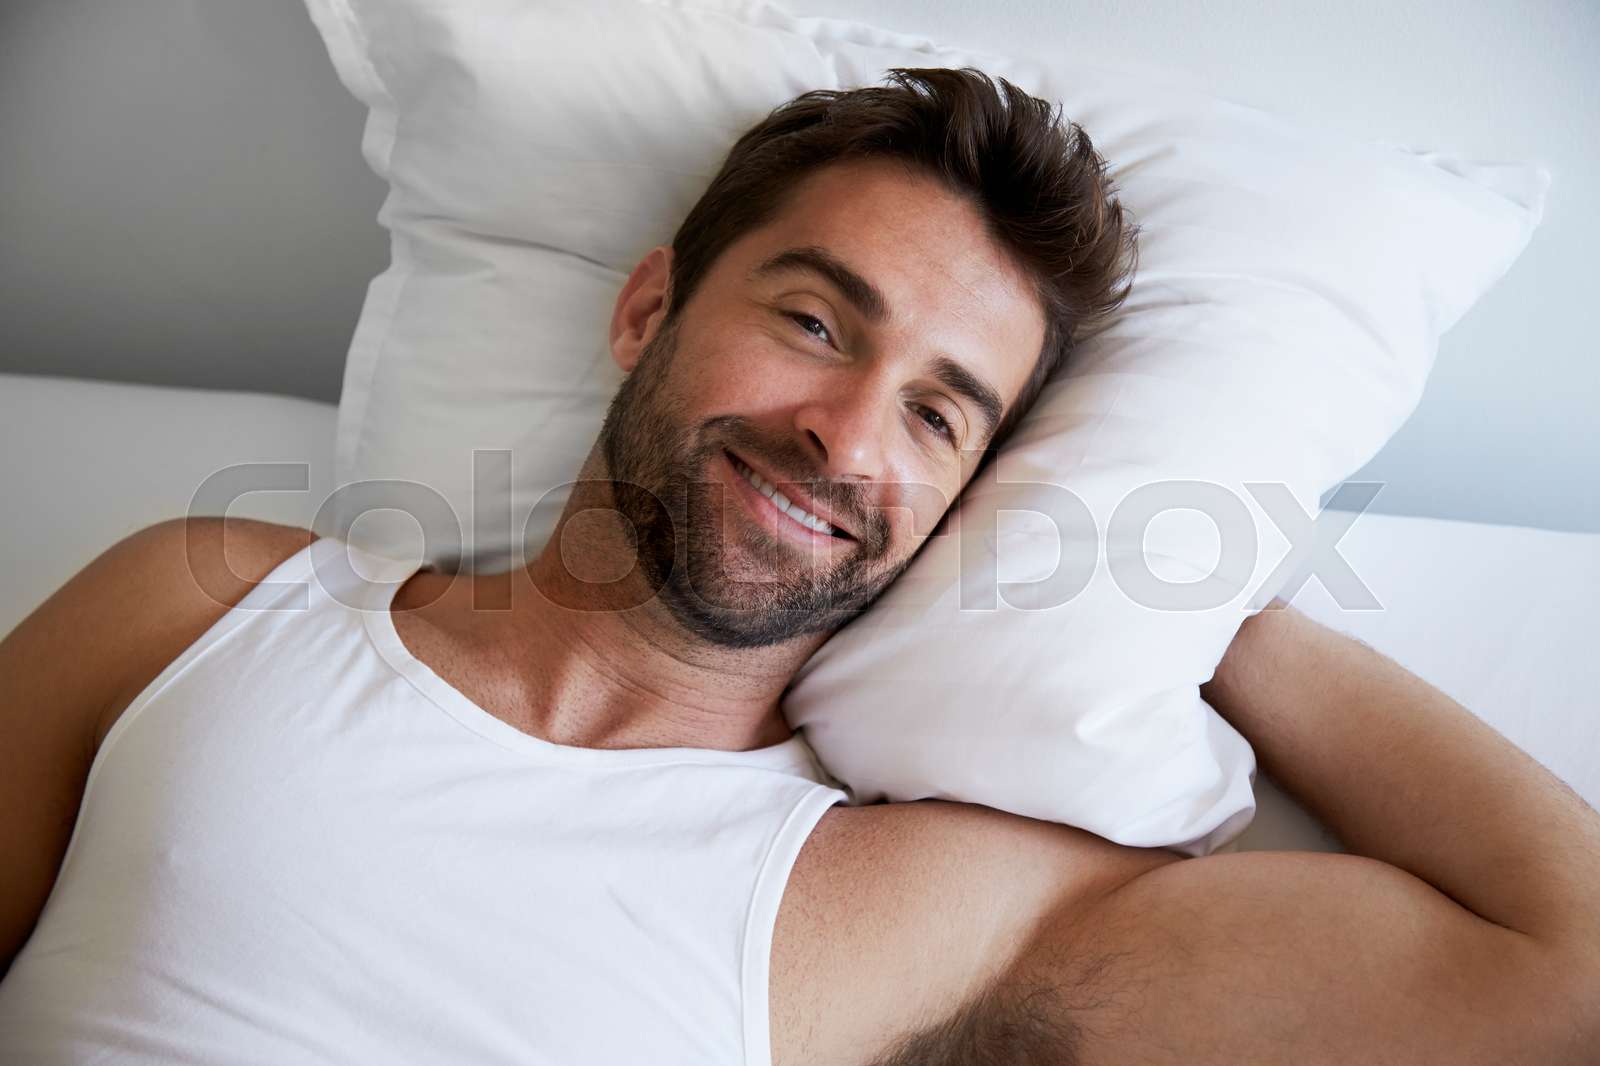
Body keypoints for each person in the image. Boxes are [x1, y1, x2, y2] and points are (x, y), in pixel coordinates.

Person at [2, 68, 1596, 1065]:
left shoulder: (921, 904)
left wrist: (1199, 592)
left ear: (972, 492)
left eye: (937, 411)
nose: (844, 436)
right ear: (648, 314)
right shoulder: (206, 604)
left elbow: (1566, 972)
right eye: (814, 321)